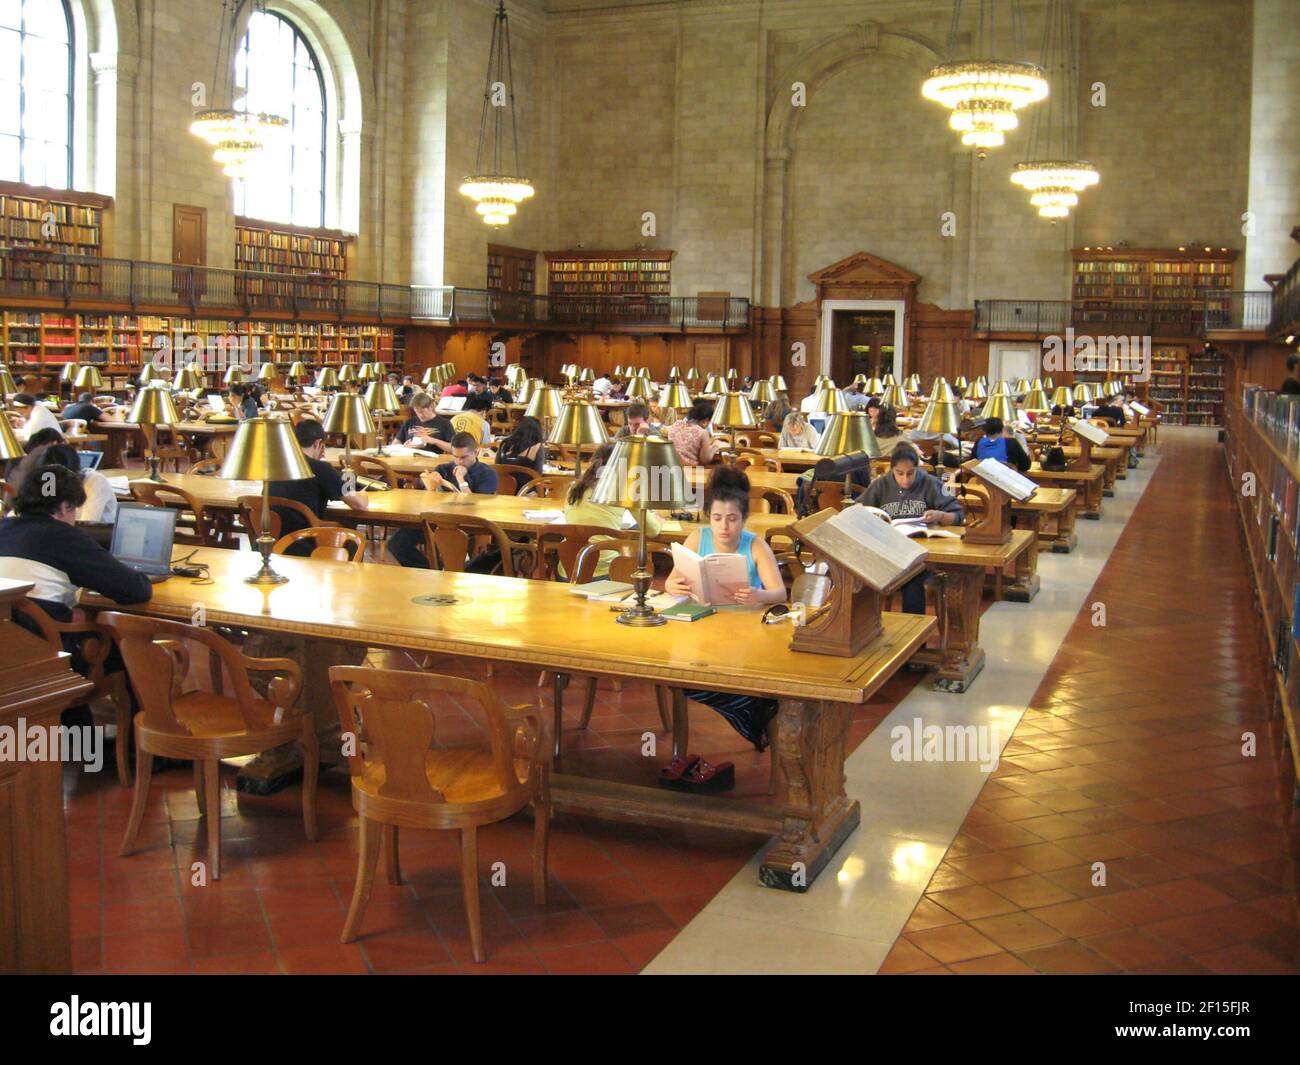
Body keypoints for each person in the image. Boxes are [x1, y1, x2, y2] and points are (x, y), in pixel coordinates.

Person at [665, 466, 787, 753]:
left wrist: (758, 594)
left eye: (732, 519)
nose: (724, 527)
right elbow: (672, 580)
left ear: (744, 519)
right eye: (717, 518)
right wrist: (674, 587)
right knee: (684, 674)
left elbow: (780, 592)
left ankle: (750, 709)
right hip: (701, 626)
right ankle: (745, 710)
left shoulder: (755, 546)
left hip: (742, 631)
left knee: (732, 674)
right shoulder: (697, 537)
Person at [0, 461, 152, 636]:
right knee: (115, 637)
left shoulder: (3, 526)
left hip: (6, 645)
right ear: (65, 507)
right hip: (42, 647)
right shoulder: (65, 536)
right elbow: (136, 590)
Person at [859, 443, 964, 613]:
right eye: (899, 474)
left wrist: (940, 515)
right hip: (888, 551)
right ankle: (869, 630)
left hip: (921, 554)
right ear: (891, 470)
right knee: (860, 575)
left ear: (917, 468)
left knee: (912, 581)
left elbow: (958, 516)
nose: (905, 480)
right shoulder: (881, 484)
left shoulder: (931, 483)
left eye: (910, 473)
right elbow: (858, 511)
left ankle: (915, 635)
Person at [386, 433, 498, 568]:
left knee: (453, 549)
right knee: (396, 544)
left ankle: (445, 571)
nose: (459, 462)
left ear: (476, 452)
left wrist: (461, 479)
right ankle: (432, 570)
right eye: (455, 457)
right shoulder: (443, 469)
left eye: (464, 457)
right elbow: (429, 504)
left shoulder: (487, 473)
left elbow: (476, 506)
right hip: (437, 522)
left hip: (470, 525)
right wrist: (431, 488)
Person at [268, 420, 370, 555]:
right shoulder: (321, 468)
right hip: (307, 543)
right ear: (318, 443)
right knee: (351, 543)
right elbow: (359, 504)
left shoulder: (274, 466)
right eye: (323, 447)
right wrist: (363, 494)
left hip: (272, 542)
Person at [563, 441, 662, 577]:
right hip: (604, 572)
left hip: (568, 569)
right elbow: (653, 531)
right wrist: (657, 519)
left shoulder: (574, 488)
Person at [666, 398, 718, 466]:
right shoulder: (702, 433)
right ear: (705, 421)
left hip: (671, 467)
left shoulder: (676, 424)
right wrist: (715, 447)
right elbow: (705, 460)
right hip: (692, 471)